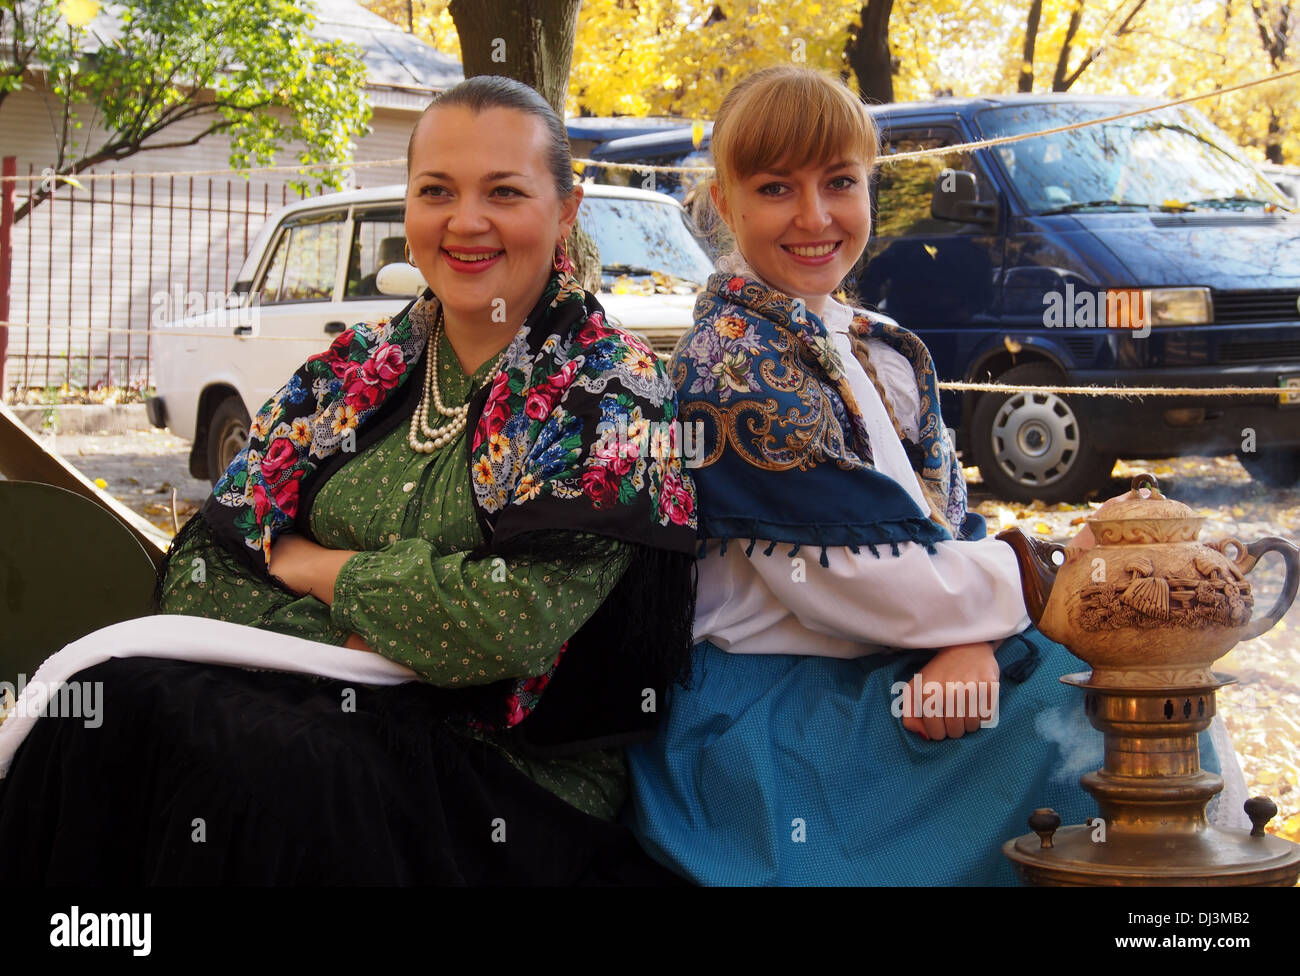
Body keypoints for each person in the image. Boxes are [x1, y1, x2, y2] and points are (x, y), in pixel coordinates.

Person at [0, 76, 698, 885]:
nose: (465, 221)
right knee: (118, 707)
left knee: (264, 772)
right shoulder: (353, 371)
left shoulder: (611, 390)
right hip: (318, 707)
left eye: (503, 192)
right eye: (437, 191)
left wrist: (312, 566)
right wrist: (368, 638)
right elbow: (203, 567)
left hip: (510, 775)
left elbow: (511, 626)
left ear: (565, 209)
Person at [623, 65, 1231, 885]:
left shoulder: (877, 345)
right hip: (767, 722)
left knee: (1143, 685)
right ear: (726, 203)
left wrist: (973, 636)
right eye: (775, 188)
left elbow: (943, 528)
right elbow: (842, 580)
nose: (814, 216)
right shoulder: (730, 367)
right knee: (1104, 711)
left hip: (879, 659)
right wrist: (1044, 575)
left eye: (840, 181)